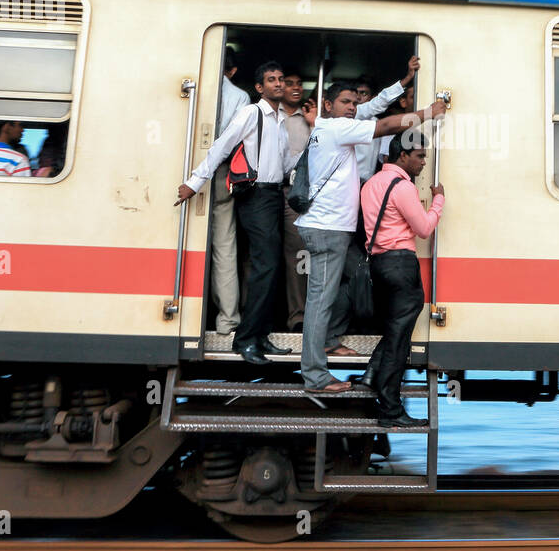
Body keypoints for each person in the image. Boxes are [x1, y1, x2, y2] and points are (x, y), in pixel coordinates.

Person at [296, 84, 446, 393]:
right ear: (328, 104)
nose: (352, 107)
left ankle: (328, 344)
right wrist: (429, 113)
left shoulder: (325, 126)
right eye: (345, 102)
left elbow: (371, 113)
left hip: (329, 228)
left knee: (346, 284)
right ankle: (315, 376)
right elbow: (388, 124)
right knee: (319, 302)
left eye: (354, 102)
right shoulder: (338, 128)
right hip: (328, 228)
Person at [176, 61, 290, 364]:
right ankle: (245, 339)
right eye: (271, 80)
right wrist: (194, 182)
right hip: (255, 196)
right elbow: (221, 147)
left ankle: (260, 336)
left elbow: (285, 162)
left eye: (280, 79)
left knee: (270, 269)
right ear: (259, 88)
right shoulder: (251, 113)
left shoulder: (281, 120)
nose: (278, 84)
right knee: (266, 267)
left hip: (274, 195)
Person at [359, 133, 445, 426]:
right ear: (403, 155)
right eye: (420, 156)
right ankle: (391, 410)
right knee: (399, 340)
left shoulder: (370, 184)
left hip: (379, 264)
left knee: (394, 329)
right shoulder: (403, 187)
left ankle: (372, 374)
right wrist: (438, 201)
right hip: (401, 264)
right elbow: (423, 228)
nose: (423, 162)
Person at [205, 49, 256, 342]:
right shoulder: (240, 97)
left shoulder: (196, 86)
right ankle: (226, 320)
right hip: (223, 174)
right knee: (224, 246)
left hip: (187, 174)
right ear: (233, 71)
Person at [354, 57, 420, 182]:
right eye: (355, 93)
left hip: (366, 183)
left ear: (373, 97)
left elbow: (380, 102)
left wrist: (407, 78)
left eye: (363, 93)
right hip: (347, 185)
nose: (358, 98)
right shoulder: (346, 120)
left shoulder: (375, 121)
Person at [280, 72, 311, 330]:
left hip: (294, 193)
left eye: (299, 83)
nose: (295, 87)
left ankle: (297, 317)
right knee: (261, 256)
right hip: (265, 190)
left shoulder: (308, 118)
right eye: (289, 83)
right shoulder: (269, 114)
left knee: (297, 255)